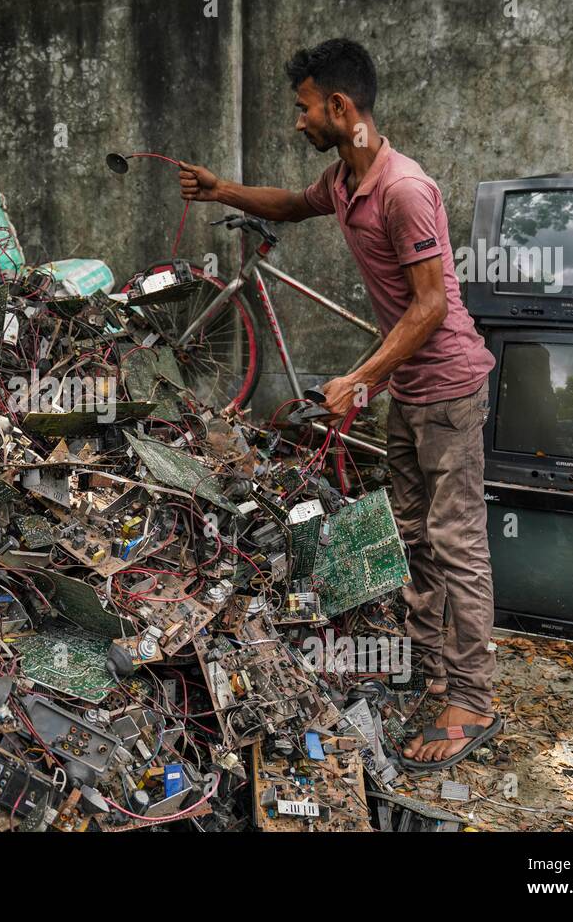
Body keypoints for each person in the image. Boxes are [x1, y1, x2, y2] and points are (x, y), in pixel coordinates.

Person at [178, 38, 501, 767]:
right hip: (409, 389)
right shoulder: (345, 179)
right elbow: (293, 205)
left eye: (304, 109)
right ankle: (431, 672)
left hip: (448, 389)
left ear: (339, 105)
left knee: (457, 543)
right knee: (414, 537)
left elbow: (429, 307)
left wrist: (359, 378)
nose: (298, 122)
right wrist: (223, 190)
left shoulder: (404, 189)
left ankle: (474, 700)